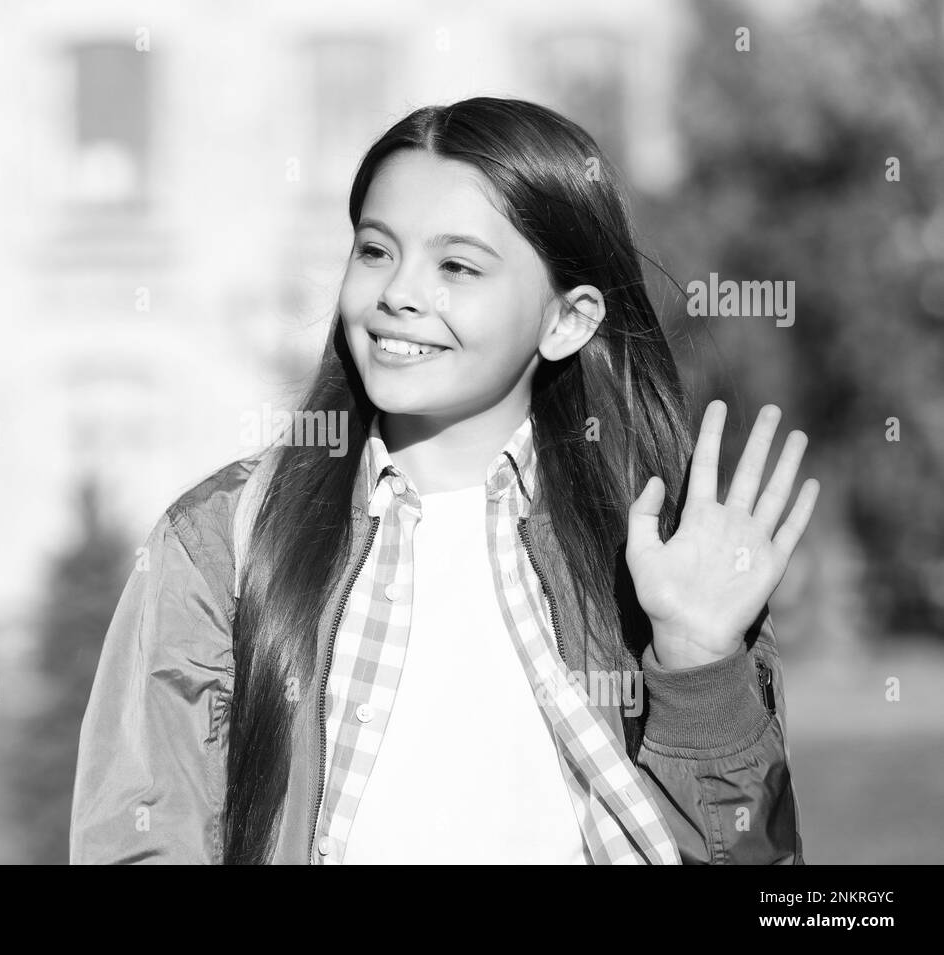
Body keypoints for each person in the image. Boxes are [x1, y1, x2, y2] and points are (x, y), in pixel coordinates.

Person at [68, 97, 818, 865]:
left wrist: (699, 666)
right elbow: (140, 836)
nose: (399, 292)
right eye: (375, 251)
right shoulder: (221, 542)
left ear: (568, 320)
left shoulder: (654, 555)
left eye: (456, 265)